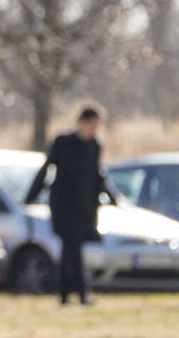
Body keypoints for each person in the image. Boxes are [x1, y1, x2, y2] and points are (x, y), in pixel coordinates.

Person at [24, 106, 119, 306]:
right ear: (82, 122)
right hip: (63, 206)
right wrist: (31, 195)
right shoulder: (62, 143)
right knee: (73, 248)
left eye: (97, 126)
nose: (94, 129)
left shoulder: (95, 145)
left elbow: (97, 176)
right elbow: (47, 169)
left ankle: (65, 294)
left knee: (70, 250)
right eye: (92, 125)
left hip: (84, 207)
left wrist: (111, 197)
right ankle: (82, 293)